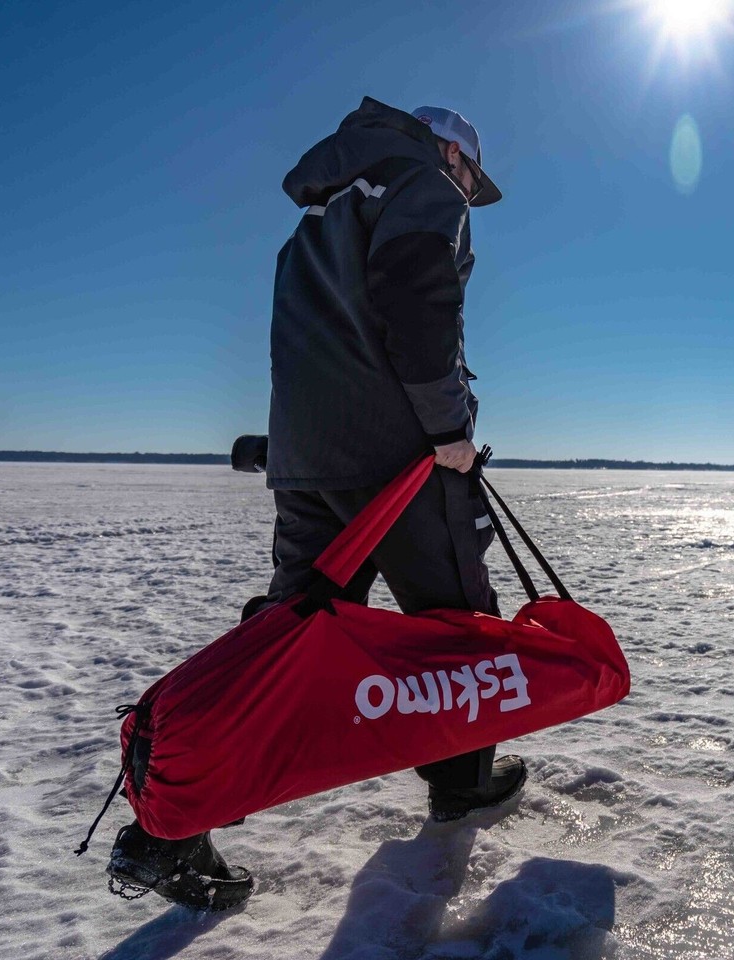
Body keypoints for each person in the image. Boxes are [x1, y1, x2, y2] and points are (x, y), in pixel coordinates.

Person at [105, 96, 526, 911]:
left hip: (310, 465)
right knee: (459, 627)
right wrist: (449, 430)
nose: (470, 193)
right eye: (471, 175)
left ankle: (166, 833)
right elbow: (416, 307)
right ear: (450, 153)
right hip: (397, 462)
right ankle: (462, 782)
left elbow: (306, 349)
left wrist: (289, 445)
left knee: (284, 645)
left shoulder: (313, 225)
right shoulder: (425, 188)